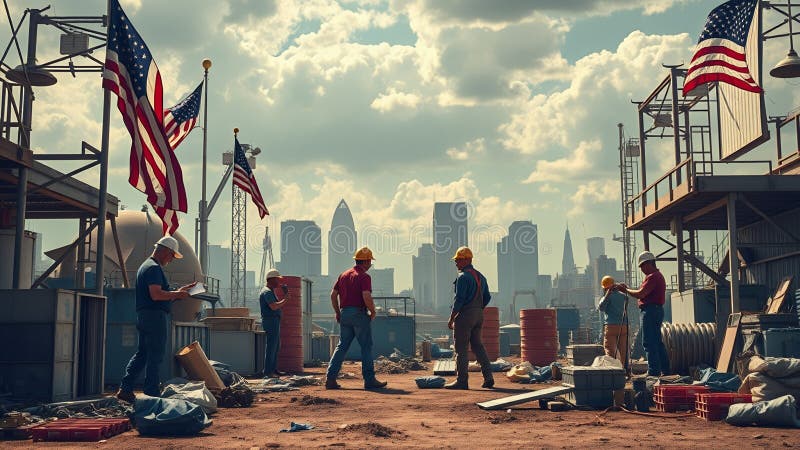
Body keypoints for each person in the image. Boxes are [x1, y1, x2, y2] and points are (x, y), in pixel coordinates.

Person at [116, 236, 197, 403]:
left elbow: (157, 294)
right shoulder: (154, 268)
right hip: (154, 316)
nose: (172, 259)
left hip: (145, 315)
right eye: (172, 256)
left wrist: (178, 292)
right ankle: (152, 393)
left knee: (143, 354)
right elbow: (156, 294)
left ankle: (126, 388)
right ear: (165, 251)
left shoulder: (146, 266)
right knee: (155, 355)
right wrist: (177, 294)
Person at [325, 246, 388, 390]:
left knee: (342, 346)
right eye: (370, 261)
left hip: (345, 314)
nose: (371, 265)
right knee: (366, 347)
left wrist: (338, 312)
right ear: (365, 262)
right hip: (359, 314)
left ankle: (330, 379)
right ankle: (369, 380)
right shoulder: (364, 277)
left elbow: (333, 295)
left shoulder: (344, 275)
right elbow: (366, 295)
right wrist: (373, 311)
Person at [445, 246, 494, 390]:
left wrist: (452, 318)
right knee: (478, 346)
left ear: (467, 260)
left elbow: (459, 300)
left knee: (461, 349)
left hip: (465, 315)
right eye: (456, 260)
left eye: (459, 260)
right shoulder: (481, 276)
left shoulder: (462, 277)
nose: (456, 263)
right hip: (478, 315)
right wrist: (478, 309)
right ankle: (488, 377)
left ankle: (462, 381)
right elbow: (488, 297)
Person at [616, 251, 670, 377]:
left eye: (642, 266)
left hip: (650, 311)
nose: (642, 269)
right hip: (655, 310)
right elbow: (642, 292)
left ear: (649, 263)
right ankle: (665, 370)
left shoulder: (653, 277)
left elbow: (641, 294)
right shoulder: (657, 276)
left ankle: (654, 371)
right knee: (657, 342)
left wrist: (625, 290)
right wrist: (628, 289)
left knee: (649, 342)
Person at [259, 268, 290, 378]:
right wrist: (285, 299)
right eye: (277, 279)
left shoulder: (270, 291)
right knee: (272, 346)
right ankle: (268, 372)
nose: (278, 282)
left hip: (273, 321)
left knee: (276, 346)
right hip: (270, 321)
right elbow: (273, 306)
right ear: (271, 280)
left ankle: (273, 370)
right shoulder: (267, 292)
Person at [598, 275, 629, 369]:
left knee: (610, 351)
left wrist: (607, 295)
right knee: (623, 351)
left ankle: (613, 371)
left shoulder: (608, 296)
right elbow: (626, 304)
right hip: (624, 326)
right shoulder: (623, 296)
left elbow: (601, 307)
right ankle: (624, 370)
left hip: (611, 326)